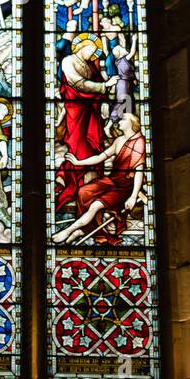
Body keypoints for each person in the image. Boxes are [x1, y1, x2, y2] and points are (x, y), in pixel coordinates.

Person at [53, 113, 145, 243]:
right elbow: (100, 157)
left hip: (125, 187)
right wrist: (78, 162)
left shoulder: (139, 143)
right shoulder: (119, 140)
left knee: (95, 205)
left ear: (132, 124)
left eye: (123, 119)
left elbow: (139, 171)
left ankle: (68, 231)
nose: (119, 121)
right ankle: (86, 229)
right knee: (83, 192)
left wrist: (133, 196)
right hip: (112, 180)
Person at [55, 34, 117, 210]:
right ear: (81, 47)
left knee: (91, 146)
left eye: (95, 51)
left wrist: (104, 100)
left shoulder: (90, 66)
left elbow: (97, 85)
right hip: (76, 109)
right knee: (77, 144)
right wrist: (104, 86)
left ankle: (86, 184)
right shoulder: (68, 61)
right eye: (90, 49)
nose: (92, 53)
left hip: (91, 112)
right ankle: (71, 181)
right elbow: (78, 84)